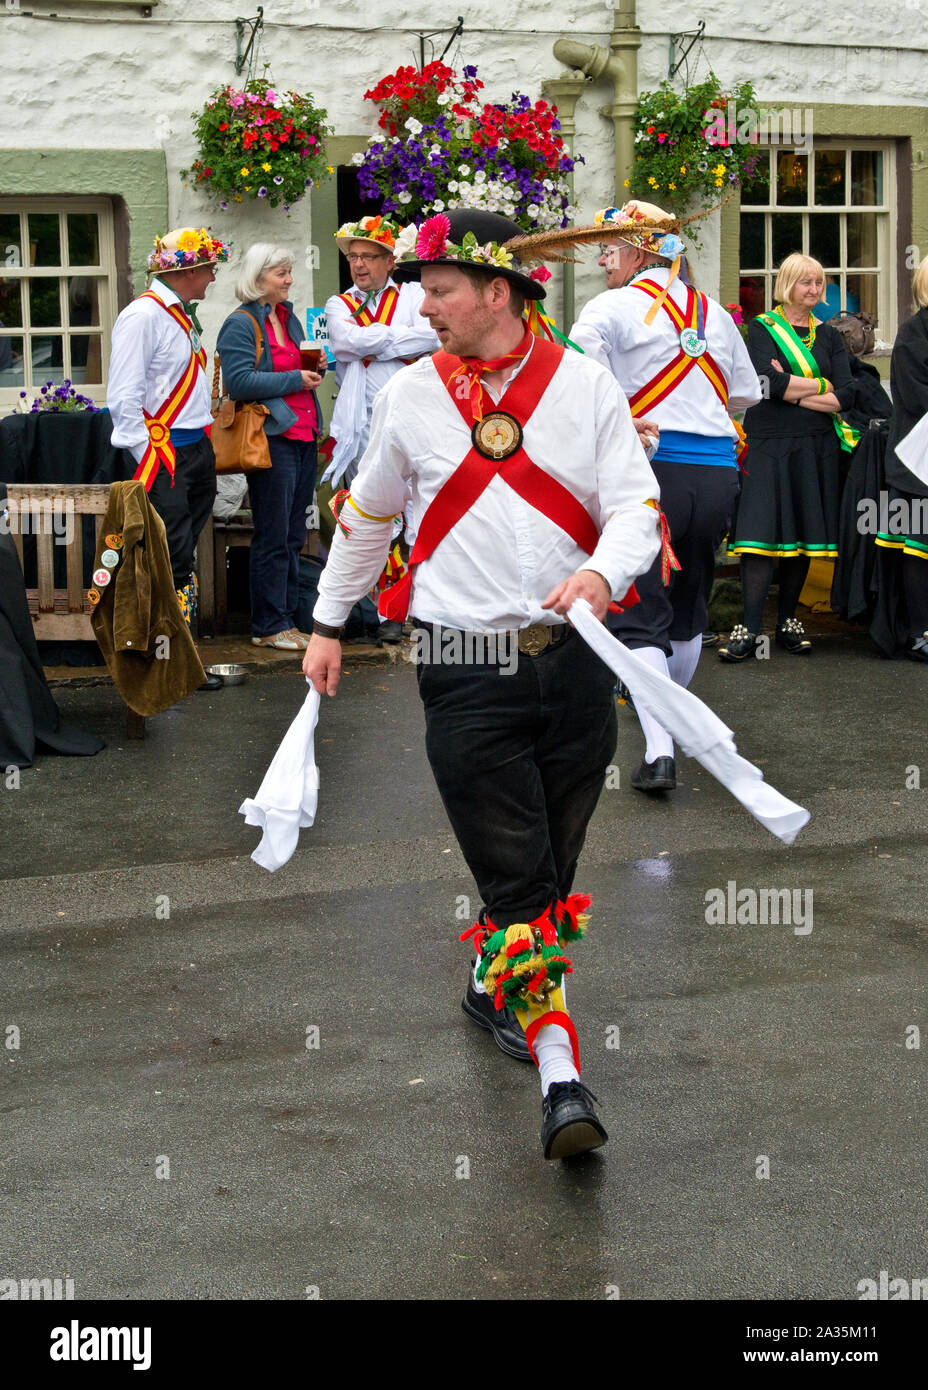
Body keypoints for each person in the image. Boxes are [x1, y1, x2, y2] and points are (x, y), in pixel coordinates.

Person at [303, 209, 661, 1160]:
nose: (425, 304)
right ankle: (561, 1074)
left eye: (440, 288)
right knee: (515, 863)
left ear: (497, 292)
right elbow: (370, 518)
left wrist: (600, 573)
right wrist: (328, 622)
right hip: (462, 660)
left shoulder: (584, 386)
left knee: (558, 851)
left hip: (577, 650)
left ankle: (492, 980)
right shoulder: (412, 394)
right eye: (421, 289)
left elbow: (634, 506)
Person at [570, 201, 761, 792]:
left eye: (610, 249)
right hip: (717, 475)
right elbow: (747, 393)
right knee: (688, 606)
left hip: (652, 473)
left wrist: (621, 415)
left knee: (641, 608)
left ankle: (659, 751)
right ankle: (674, 726)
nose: (604, 261)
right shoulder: (715, 315)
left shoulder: (612, 306)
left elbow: (578, 356)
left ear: (639, 252)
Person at [719, 252, 855, 662]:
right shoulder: (761, 330)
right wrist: (820, 385)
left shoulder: (829, 335)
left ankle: (789, 621)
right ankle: (749, 625)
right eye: (804, 282)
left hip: (815, 446)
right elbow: (766, 384)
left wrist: (799, 390)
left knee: (801, 536)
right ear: (787, 285)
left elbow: (846, 393)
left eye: (819, 282)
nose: (813, 290)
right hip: (769, 444)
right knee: (761, 538)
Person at [108, 226, 229, 658]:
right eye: (210, 267)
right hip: (164, 455)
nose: (214, 276)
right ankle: (169, 654)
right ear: (189, 270)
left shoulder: (179, 313)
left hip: (195, 448)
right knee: (170, 555)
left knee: (183, 550)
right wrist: (153, 456)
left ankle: (180, 648)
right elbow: (123, 397)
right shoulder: (143, 316)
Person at [323, 216, 440, 643]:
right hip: (361, 427)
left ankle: (416, 607)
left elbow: (431, 338)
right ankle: (379, 613)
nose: (358, 265)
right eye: (353, 257)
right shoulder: (339, 305)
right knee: (371, 514)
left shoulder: (413, 294)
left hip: (412, 419)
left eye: (368, 256)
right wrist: (397, 338)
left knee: (417, 512)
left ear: (391, 261)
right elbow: (343, 343)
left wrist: (374, 340)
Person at [217, 244, 324, 652]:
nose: (289, 279)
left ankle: (288, 619)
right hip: (271, 439)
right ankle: (267, 624)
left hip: (303, 434)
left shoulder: (288, 316)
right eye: (281, 273)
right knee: (274, 534)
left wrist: (315, 368)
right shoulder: (240, 324)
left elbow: (296, 366)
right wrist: (296, 380)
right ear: (258, 277)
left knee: (295, 533)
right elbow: (240, 382)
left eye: (289, 272)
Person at [884, 255, 928, 662]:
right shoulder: (914, 335)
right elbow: (916, 399)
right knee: (918, 548)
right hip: (918, 462)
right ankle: (919, 631)